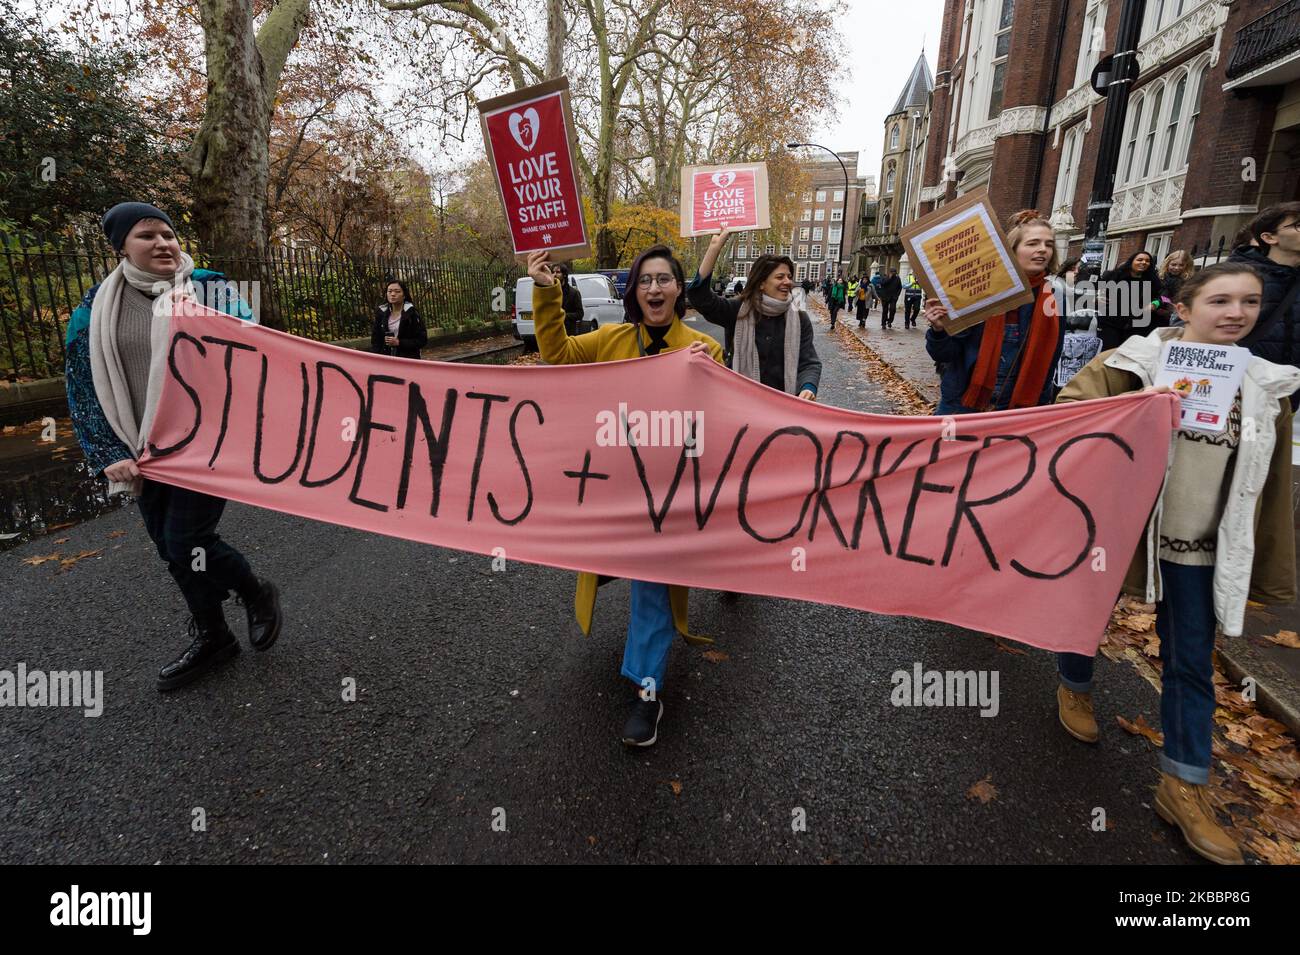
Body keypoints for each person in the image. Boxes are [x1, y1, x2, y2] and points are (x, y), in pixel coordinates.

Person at [1053, 262, 1298, 865]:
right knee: (1084, 620)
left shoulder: (1266, 385)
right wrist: (1139, 409)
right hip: (1120, 534)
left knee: (1190, 661)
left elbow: (1269, 489)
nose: (1236, 313)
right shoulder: (1129, 365)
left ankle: (1183, 786)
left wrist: (1267, 564)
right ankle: (1074, 687)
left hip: (1199, 548)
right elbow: (1065, 418)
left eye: (1249, 301)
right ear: (1183, 308)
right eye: (1220, 300)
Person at [64, 202, 284, 691]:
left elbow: (256, 353)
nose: (163, 243)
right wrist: (106, 452)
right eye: (147, 236)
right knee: (170, 549)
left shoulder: (209, 288)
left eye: (168, 234)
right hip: (141, 449)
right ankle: (214, 637)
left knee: (187, 540)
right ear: (121, 246)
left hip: (205, 444)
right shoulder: (95, 307)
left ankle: (254, 592)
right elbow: (81, 385)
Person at [530, 245, 724, 746]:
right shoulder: (611, 339)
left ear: (679, 289)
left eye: (664, 280)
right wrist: (548, 293)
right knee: (632, 575)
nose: (655, 288)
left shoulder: (705, 349)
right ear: (633, 291)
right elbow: (557, 353)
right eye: (645, 281)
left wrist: (712, 378)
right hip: (614, 496)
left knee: (651, 589)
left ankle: (646, 691)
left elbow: (720, 427)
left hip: (669, 500)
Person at [923, 210, 1066, 414]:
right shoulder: (981, 289)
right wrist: (939, 330)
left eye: (1048, 244)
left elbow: (1051, 360)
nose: (1043, 250)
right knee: (947, 447)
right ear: (1012, 249)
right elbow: (945, 354)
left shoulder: (1053, 296)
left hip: (1019, 410)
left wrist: (1041, 408)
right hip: (963, 405)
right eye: (1033, 243)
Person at [689, 228, 822, 398]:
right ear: (761, 283)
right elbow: (700, 298)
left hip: (783, 406)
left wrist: (808, 387)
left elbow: (809, 362)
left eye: (789, 276)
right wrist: (714, 248)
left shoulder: (799, 318)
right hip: (739, 403)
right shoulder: (738, 310)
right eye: (780, 277)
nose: (788, 282)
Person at [1229, 203, 1300, 406]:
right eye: (1298, 225)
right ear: (1269, 237)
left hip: (1291, 402)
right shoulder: (1234, 277)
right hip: (1243, 394)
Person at [1099, 250, 1162, 350]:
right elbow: (1097, 291)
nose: (1144, 262)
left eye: (1147, 261)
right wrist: (1097, 298)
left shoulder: (1153, 280)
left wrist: (1154, 304)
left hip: (1137, 325)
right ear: (1131, 261)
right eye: (1140, 260)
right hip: (1111, 323)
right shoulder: (1114, 276)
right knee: (1108, 352)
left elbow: (1162, 297)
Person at [371, 279, 428, 359]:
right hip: (386, 360)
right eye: (389, 291)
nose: (393, 294)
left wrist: (399, 342)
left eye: (397, 291)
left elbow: (422, 340)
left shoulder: (412, 314)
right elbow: (375, 340)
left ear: (404, 295)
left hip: (407, 360)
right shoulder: (381, 313)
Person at [556, 265, 586, 335]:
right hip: (553, 332)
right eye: (553, 272)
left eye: (558, 272)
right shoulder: (550, 292)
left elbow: (580, 314)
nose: (555, 274)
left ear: (564, 275)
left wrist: (564, 315)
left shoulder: (574, 293)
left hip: (568, 332)